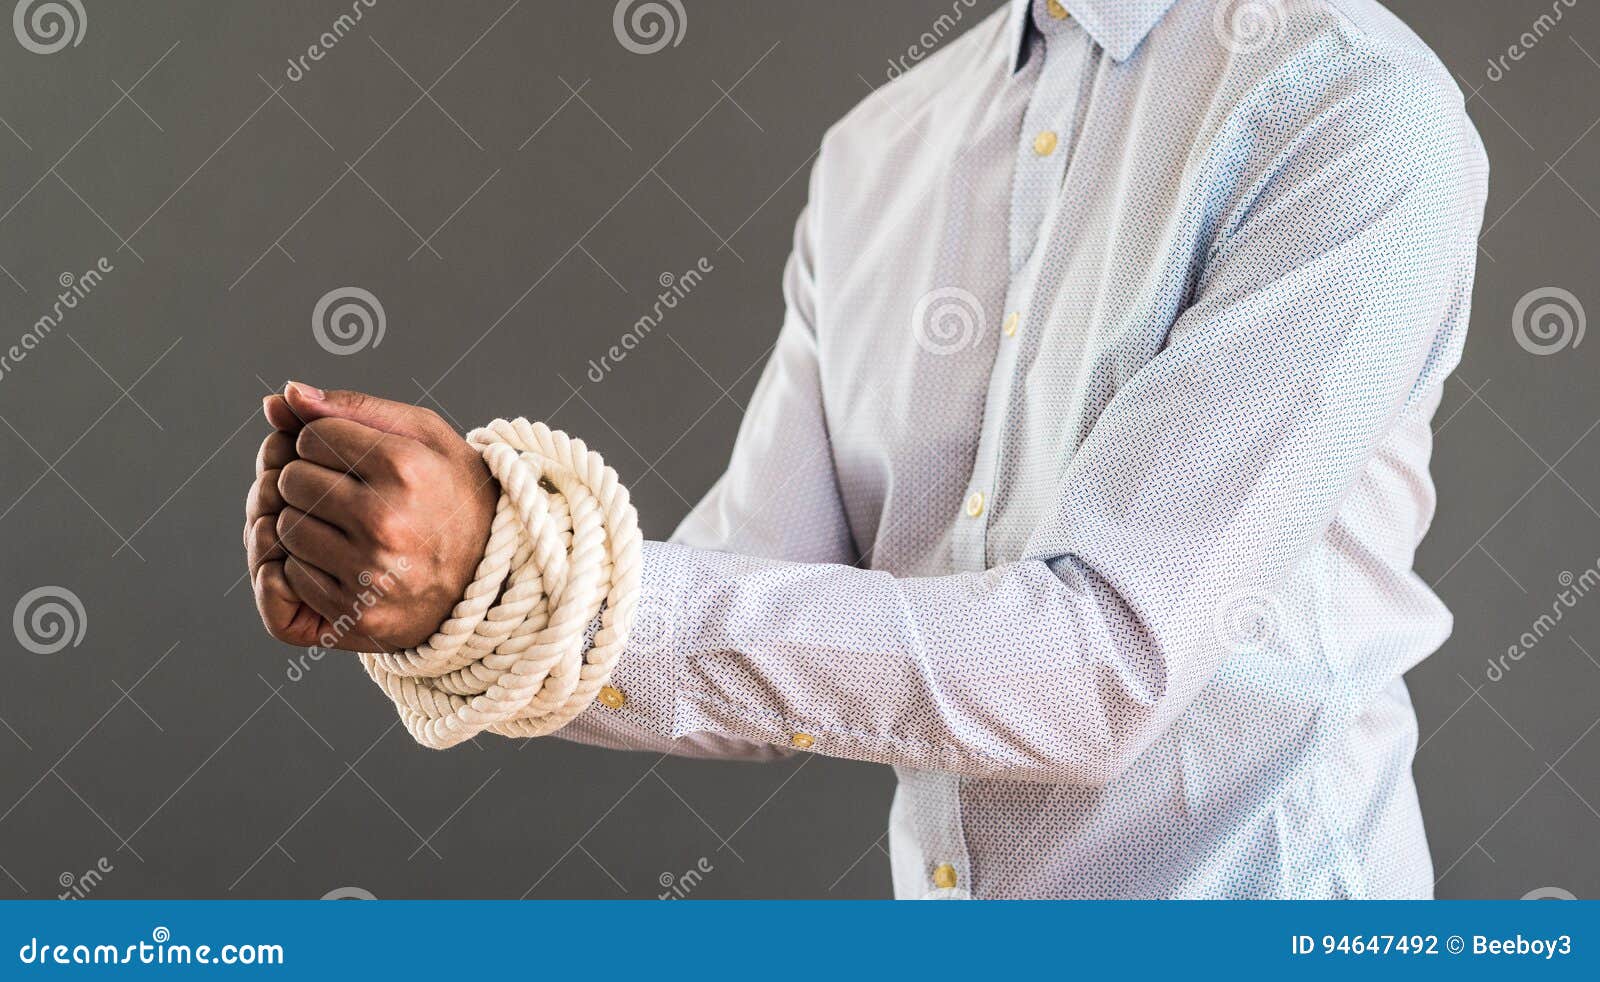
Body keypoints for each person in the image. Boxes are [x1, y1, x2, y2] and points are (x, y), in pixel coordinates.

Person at [244, 0, 1489, 898]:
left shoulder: (1349, 107)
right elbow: (750, 593)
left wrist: (514, 563)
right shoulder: (877, 152)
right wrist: (462, 592)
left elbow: (1102, 663)